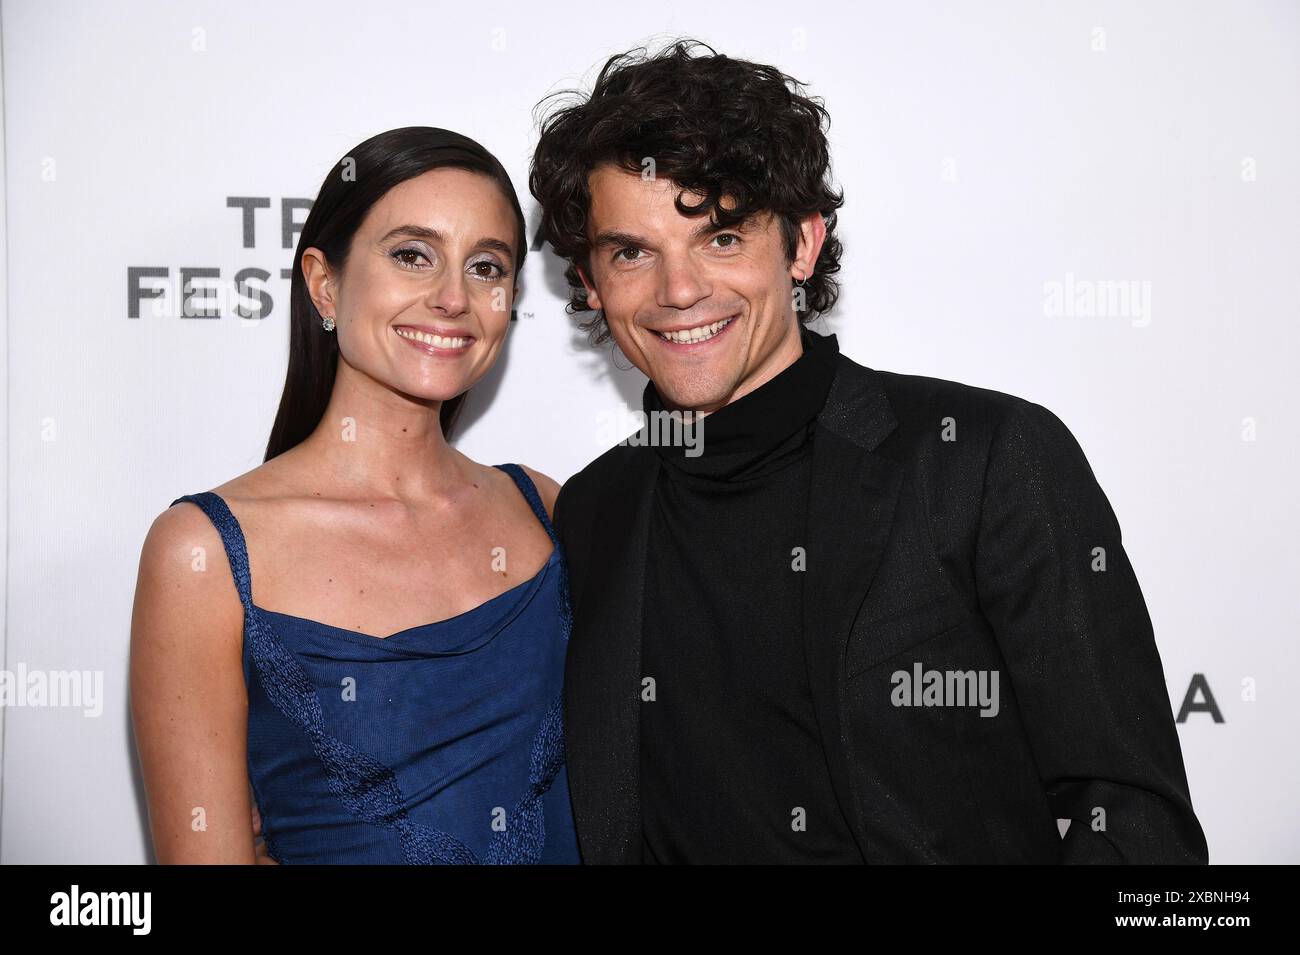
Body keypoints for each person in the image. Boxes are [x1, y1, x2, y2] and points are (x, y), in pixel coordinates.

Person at [528, 40, 1210, 863]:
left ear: (802, 245)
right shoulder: (597, 511)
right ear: (593, 282)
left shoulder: (983, 460)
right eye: (632, 251)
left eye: (722, 236)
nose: (678, 290)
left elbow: (1132, 819)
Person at [130, 127, 580, 864]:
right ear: (324, 283)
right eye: (412, 254)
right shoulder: (204, 553)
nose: (452, 298)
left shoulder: (545, 509)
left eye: (486, 266)